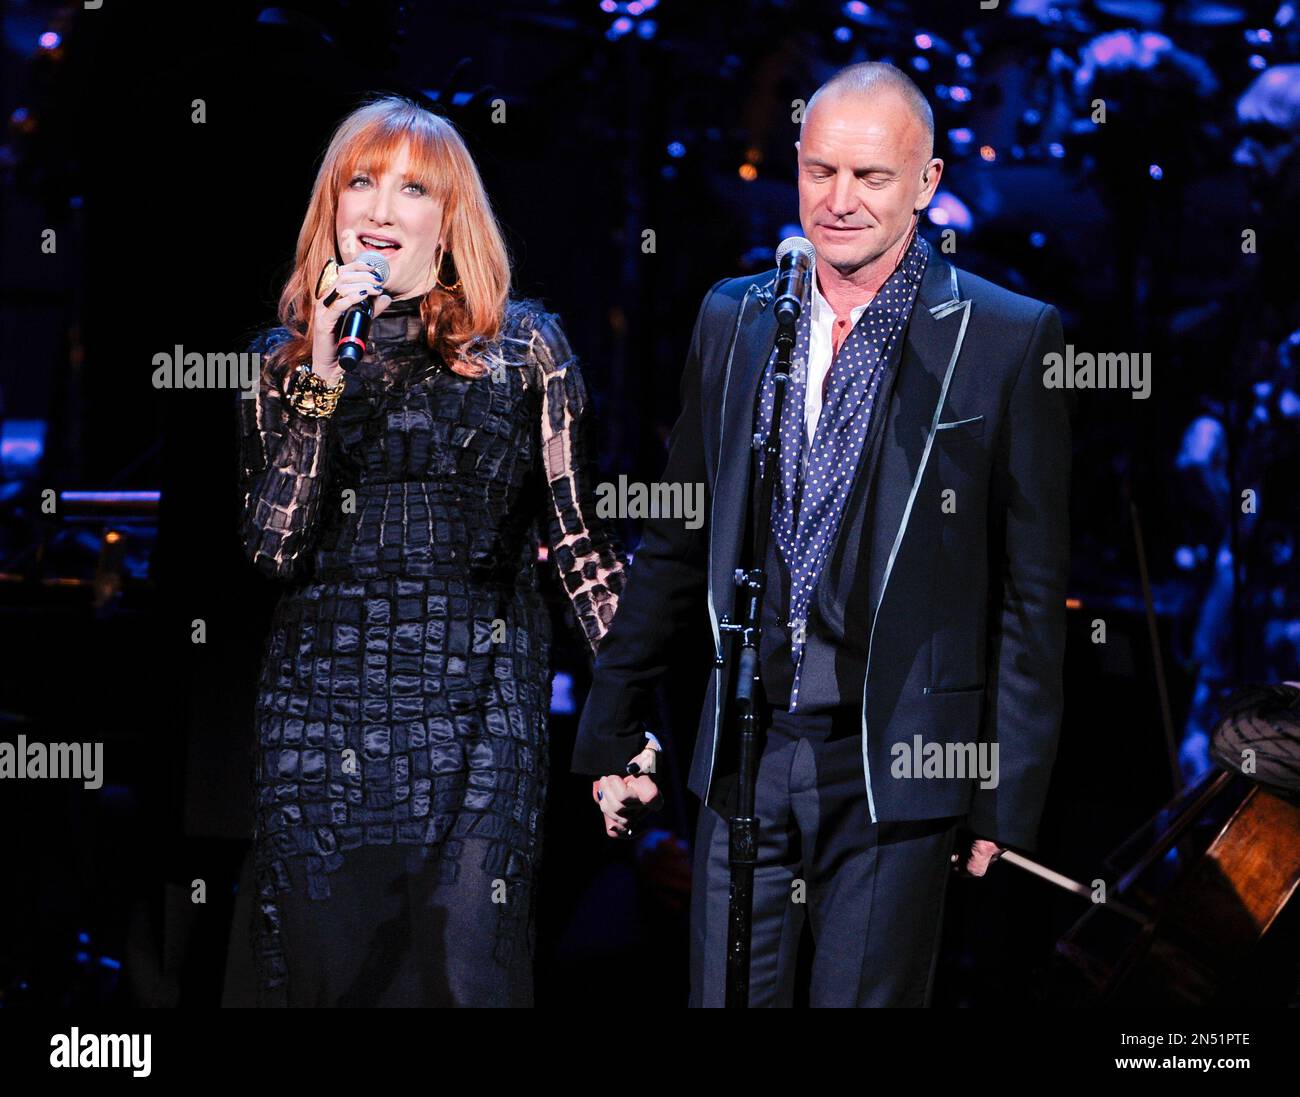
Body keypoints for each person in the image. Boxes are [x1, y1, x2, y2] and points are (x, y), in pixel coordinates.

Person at [573, 62, 1071, 1006]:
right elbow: (679, 536)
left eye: (871, 177)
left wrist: (1004, 794)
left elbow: (1030, 592)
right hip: (746, 745)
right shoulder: (739, 317)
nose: (838, 201)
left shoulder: (1007, 336)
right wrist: (613, 721)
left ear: (925, 185)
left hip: (898, 761)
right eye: (820, 172)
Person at [236, 94, 625, 1006]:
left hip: (480, 716)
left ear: (449, 219)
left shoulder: (523, 349)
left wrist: (630, 714)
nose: (378, 211)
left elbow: (579, 546)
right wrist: (326, 371)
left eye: (411, 189)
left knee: (467, 971)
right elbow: (273, 543)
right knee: (333, 981)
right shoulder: (286, 365)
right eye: (359, 183)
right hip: (318, 721)